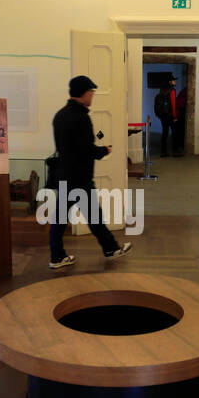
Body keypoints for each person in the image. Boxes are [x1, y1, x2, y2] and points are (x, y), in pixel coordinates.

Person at [48, 75, 132, 269]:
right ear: (84, 93)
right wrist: (105, 150)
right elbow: (86, 149)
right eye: (91, 92)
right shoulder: (81, 117)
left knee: (61, 219)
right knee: (93, 217)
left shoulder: (60, 115)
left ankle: (57, 257)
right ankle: (110, 249)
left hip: (64, 174)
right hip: (79, 177)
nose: (92, 96)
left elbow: (66, 147)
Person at [152, 74, 188, 157]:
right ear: (170, 82)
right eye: (173, 80)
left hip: (163, 116)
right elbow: (173, 104)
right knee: (175, 133)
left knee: (165, 133)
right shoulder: (172, 91)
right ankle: (175, 152)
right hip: (170, 116)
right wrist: (175, 117)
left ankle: (163, 152)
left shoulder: (162, 90)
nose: (175, 81)